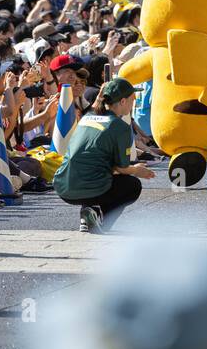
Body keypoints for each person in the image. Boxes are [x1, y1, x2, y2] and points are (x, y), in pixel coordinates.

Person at [52, 78, 154, 233]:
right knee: (132, 186)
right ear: (123, 101)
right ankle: (101, 220)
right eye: (133, 99)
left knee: (96, 171)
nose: (134, 103)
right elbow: (122, 167)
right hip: (90, 186)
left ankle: (89, 214)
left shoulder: (87, 117)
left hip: (64, 186)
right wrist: (137, 170)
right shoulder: (120, 126)